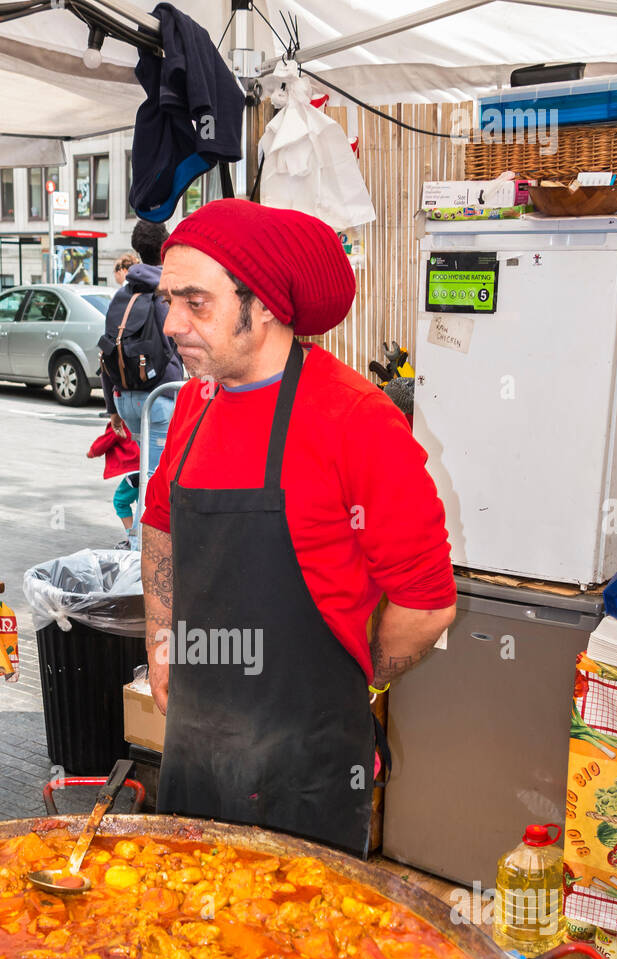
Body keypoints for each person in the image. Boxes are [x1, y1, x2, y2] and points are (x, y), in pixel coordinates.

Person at [141, 199, 457, 857]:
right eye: (168, 300)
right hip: (195, 744)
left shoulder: (355, 420)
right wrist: (161, 640)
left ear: (263, 306)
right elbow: (162, 525)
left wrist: (352, 686)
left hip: (305, 765)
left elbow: (426, 606)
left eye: (195, 303)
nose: (171, 324)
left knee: (295, 949)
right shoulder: (195, 404)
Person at [101, 220, 184, 545]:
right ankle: (141, 548)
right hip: (160, 397)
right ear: (164, 247)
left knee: (149, 472)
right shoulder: (165, 292)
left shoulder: (123, 294)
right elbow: (176, 339)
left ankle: (142, 542)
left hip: (126, 399)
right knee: (154, 477)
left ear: (137, 250)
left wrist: (112, 409)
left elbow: (106, 349)